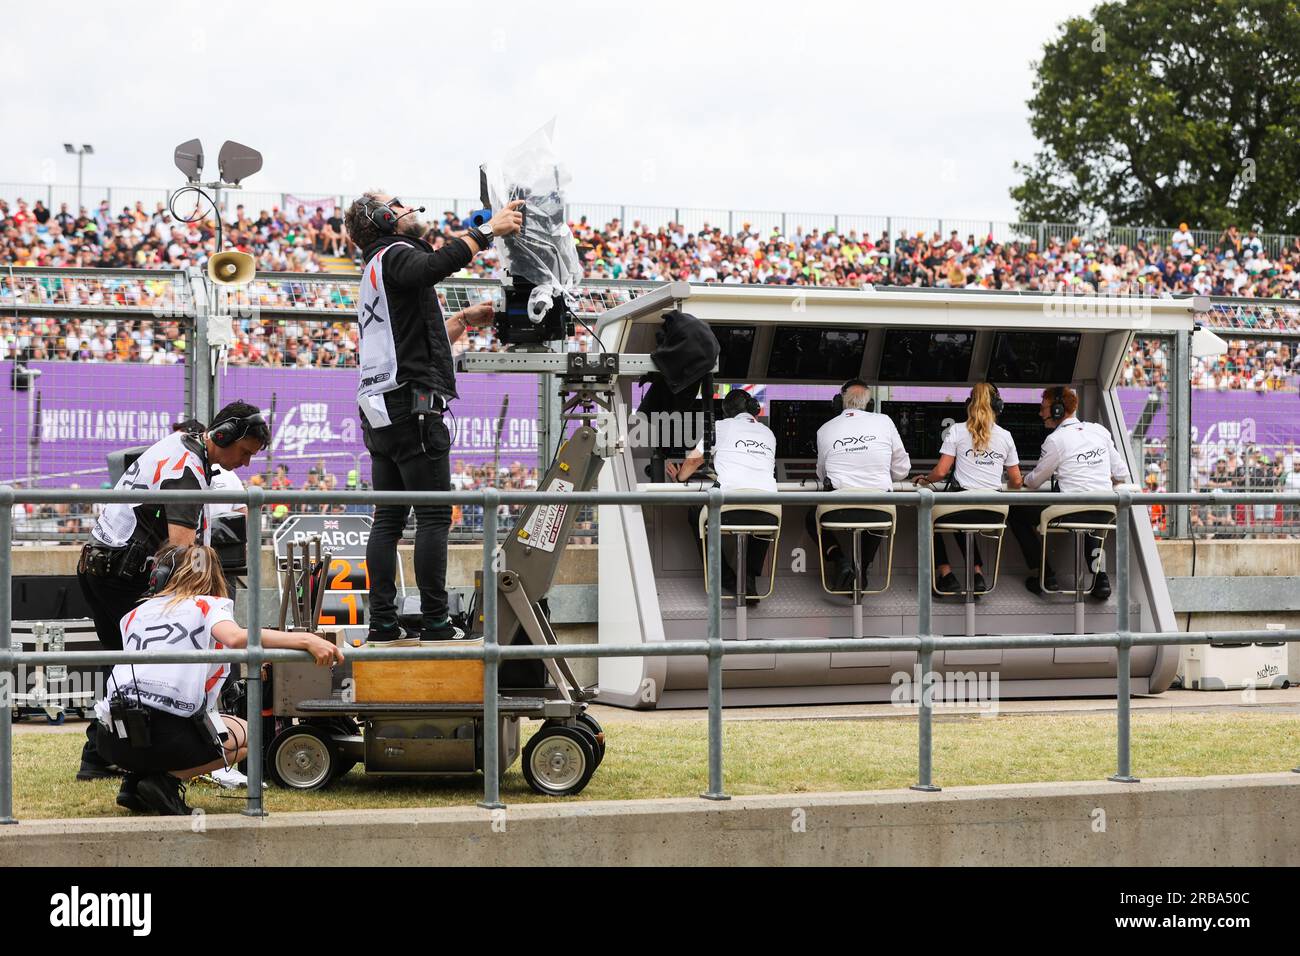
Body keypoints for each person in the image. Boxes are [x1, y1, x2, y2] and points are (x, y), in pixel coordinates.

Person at [343, 190, 523, 645]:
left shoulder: (374, 267)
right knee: (434, 516)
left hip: (380, 407)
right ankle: (437, 623)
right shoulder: (395, 253)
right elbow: (432, 267)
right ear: (382, 217)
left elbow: (410, 339)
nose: (407, 207)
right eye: (396, 202)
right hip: (412, 408)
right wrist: (487, 231)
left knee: (388, 520)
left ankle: (383, 624)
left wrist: (461, 319)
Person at [75, 402, 270, 781]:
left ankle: (101, 756)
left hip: (103, 567)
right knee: (143, 669)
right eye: (244, 452)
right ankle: (132, 757)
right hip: (122, 575)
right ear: (224, 435)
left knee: (123, 666)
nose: (246, 463)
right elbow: (183, 553)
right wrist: (201, 605)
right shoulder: (187, 472)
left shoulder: (183, 445)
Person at [95, 545, 342, 815]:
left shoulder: (133, 615)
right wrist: (306, 639)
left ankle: (135, 781)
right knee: (248, 734)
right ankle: (164, 781)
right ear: (212, 576)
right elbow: (234, 638)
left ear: (162, 576)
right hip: (166, 738)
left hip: (112, 739)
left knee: (167, 720)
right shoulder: (207, 604)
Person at [1008, 386, 1127, 598]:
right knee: (1090, 520)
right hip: (1105, 511)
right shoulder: (1099, 431)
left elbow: (1035, 482)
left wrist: (1022, 478)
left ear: (1057, 410)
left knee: (1015, 512)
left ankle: (1045, 575)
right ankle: (1101, 579)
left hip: (1071, 513)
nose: (1040, 413)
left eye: (1043, 408)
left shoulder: (1055, 440)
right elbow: (1121, 474)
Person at [667, 388, 777, 601]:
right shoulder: (768, 433)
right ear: (752, 409)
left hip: (729, 510)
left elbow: (693, 461)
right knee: (761, 518)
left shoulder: (720, 426)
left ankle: (725, 578)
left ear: (727, 412)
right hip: (770, 511)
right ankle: (749, 579)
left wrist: (679, 478)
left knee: (696, 514)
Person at [914, 383, 1024, 593]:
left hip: (962, 507)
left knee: (928, 515)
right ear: (998, 406)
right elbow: (1017, 481)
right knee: (962, 519)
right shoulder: (1006, 435)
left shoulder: (957, 430)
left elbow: (941, 472)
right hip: (995, 512)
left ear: (969, 405)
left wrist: (924, 480)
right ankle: (977, 574)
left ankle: (946, 574)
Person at [807, 379, 910, 590]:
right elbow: (902, 470)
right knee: (879, 508)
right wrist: (880, 474)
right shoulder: (885, 421)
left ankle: (840, 561)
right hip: (880, 512)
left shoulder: (825, 429)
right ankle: (861, 571)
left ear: (839, 402)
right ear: (870, 404)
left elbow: (822, 474)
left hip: (837, 511)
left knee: (811, 517)